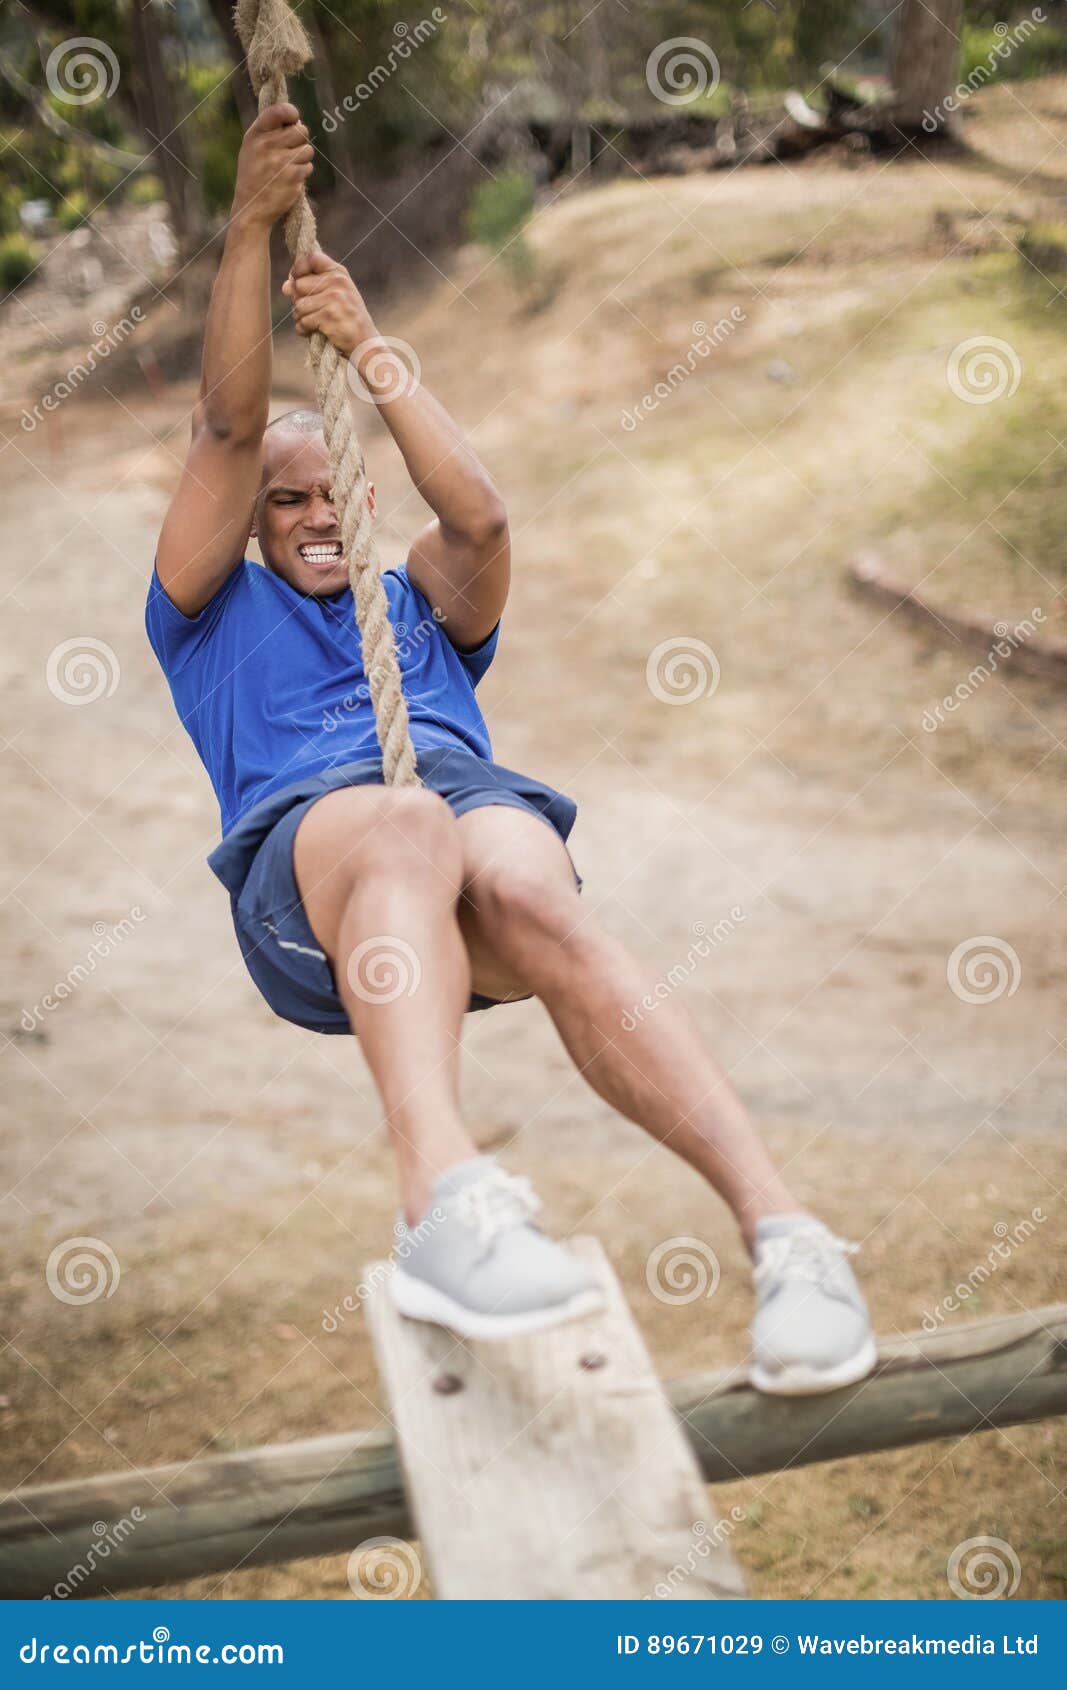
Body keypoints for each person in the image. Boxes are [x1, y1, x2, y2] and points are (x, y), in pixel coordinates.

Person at [147, 103, 875, 1393]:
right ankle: (442, 1201)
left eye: (338, 496)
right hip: (313, 877)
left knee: (532, 879)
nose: (319, 519)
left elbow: (479, 515)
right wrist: (252, 229)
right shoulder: (208, 614)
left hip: (459, 838)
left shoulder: (415, 602)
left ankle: (788, 1236)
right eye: (291, 503)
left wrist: (370, 351)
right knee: (412, 823)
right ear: (256, 525)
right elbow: (224, 435)